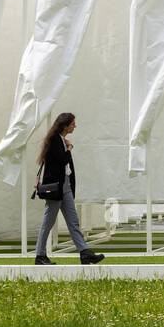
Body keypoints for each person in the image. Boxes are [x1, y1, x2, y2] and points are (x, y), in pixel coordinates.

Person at [33, 112, 104, 266]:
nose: (75, 126)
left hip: (65, 186)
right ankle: (40, 255)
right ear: (65, 126)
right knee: (48, 222)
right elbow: (61, 160)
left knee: (73, 221)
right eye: (72, 124)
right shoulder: (55, 140)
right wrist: (69, 147)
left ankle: (85, 253)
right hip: (56, 188)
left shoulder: (59, 139)